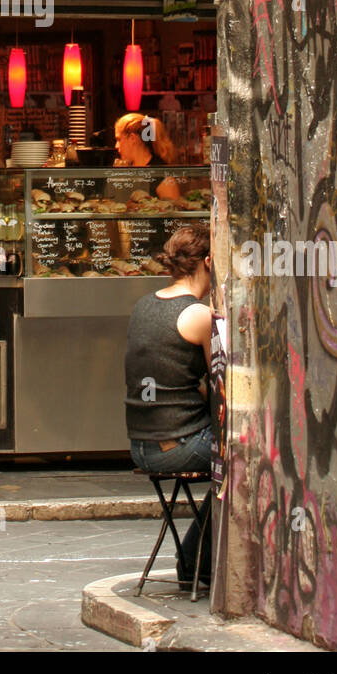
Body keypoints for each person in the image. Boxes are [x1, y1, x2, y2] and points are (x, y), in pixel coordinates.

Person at [125, 222, 213, 588]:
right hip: (178, 447)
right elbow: (220, 382)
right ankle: (197, 561)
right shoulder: (198, 315)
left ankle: (196, 560)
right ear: (208, 262)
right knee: (249, 458)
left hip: (140, 447)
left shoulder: (143, 306)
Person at [114, 111, 182, 200]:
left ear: (132, 138)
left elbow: (173, 210)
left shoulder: (162, 176)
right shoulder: (127, 171)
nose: (116, 146)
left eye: (119, 140)